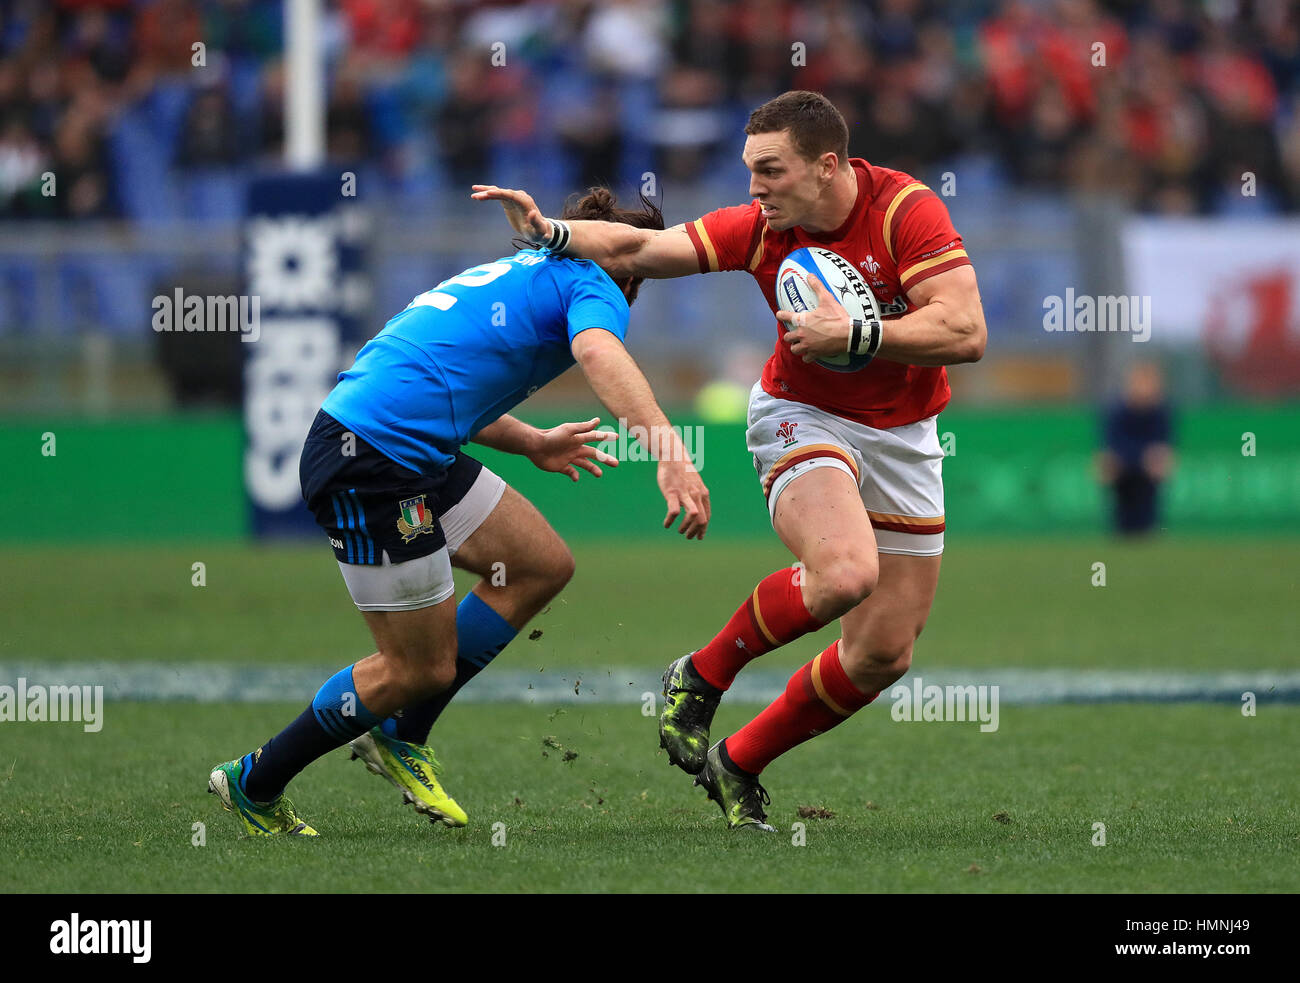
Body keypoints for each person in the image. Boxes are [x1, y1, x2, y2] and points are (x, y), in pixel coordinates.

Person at [474, 90, 986, 831]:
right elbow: (641, 250)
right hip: (800, 415)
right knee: (845, 573)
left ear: (827, 164)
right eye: (750, 171)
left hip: (904, 433)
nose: (755, 188)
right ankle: (703, 673)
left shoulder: (904, 211)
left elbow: (966, 330)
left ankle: (738, 760)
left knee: (882, 653)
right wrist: (550, 231)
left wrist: (860, 333)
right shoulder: (757, 229)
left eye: (771, 170)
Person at [208, 188, 709, 836]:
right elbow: (599, 354)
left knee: (538, 564)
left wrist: (533, 442)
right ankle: (256, 779)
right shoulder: (595, 283)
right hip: (374, 467)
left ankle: (401, 735)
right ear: (630, 259)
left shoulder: (527, 271)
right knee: (416, 668)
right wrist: (669, 452)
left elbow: (440, 377)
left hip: (410, 450)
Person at [1097, 362, 1175, 536]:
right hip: (1124, 463)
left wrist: (1154, 458)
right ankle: (1122, 526)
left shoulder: (1161, 411)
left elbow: (1164, 444)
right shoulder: (1117, 410)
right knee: (1111, 466)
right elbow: (1111, 445)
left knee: (1157, 464)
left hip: (1146, 465)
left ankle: (1148, 526)